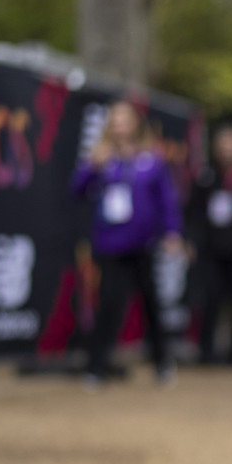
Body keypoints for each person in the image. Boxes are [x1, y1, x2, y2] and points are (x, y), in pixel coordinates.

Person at [71, 100, 184, 388]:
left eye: (125, 119)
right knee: (109, 303)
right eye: (115, 119)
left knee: (151, 303)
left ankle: (162, 362)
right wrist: (91, 167)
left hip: (144, 243)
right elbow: (77, 190)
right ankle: (97, 366)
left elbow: (166, 200)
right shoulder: (101, 156)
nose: (120, 125)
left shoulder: (152, 159)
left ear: (136, 123)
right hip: (110, 244)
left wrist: (173, 232)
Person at [185, 123, 232, 365]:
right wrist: (191, 241)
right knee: (210, 299)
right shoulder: (206, 177)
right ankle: (206, 349)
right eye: (223, 144)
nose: (227, 149)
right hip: (212, 249)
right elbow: (193, 212)